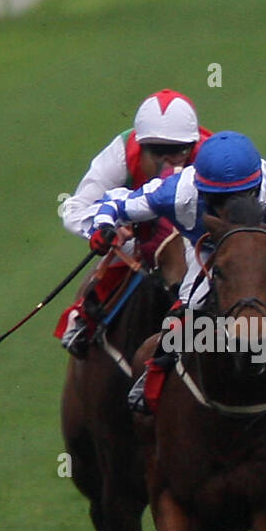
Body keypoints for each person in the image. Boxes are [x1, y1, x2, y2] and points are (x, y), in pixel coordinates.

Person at [89, 131, 266, 419]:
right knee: (191, 304)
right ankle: (156, 370)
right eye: (217, 199)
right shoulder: (177, 190)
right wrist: (102, 226)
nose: (226, 209)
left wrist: (260, 266)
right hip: (211, 252)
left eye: (237, 197)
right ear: (201, 189)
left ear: (255, 188)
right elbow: (116, 202)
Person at [55, 89, 210, 356]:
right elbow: (75, 208)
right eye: (158, 152)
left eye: (179, 151)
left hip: (200, 235)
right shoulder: (121, 154)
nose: (169, 161)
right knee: (118, 258)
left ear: (192, 144)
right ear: (142, 145)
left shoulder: (211, 156)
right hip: (138, 236)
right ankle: (84, 319)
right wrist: (105, 230)